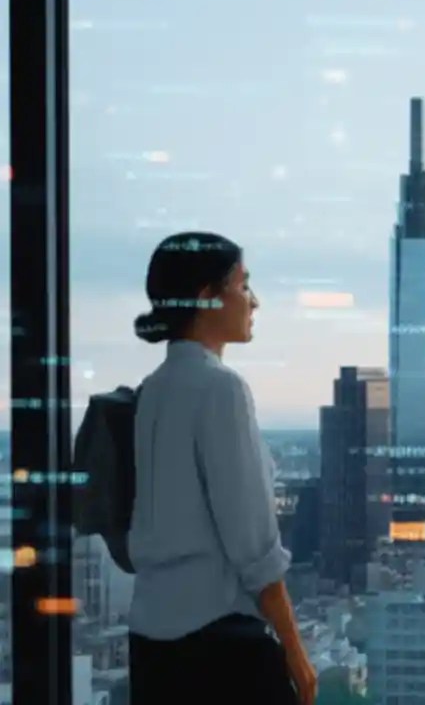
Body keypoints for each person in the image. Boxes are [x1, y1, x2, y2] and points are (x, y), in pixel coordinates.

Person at [127, 231, 318, 705]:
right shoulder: (221, 390)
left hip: (151, 642)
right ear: (208, 297)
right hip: (219, 646)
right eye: (243, 285)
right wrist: (296, 655)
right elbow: (254, 547)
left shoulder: (154, 389)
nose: (254, 301)